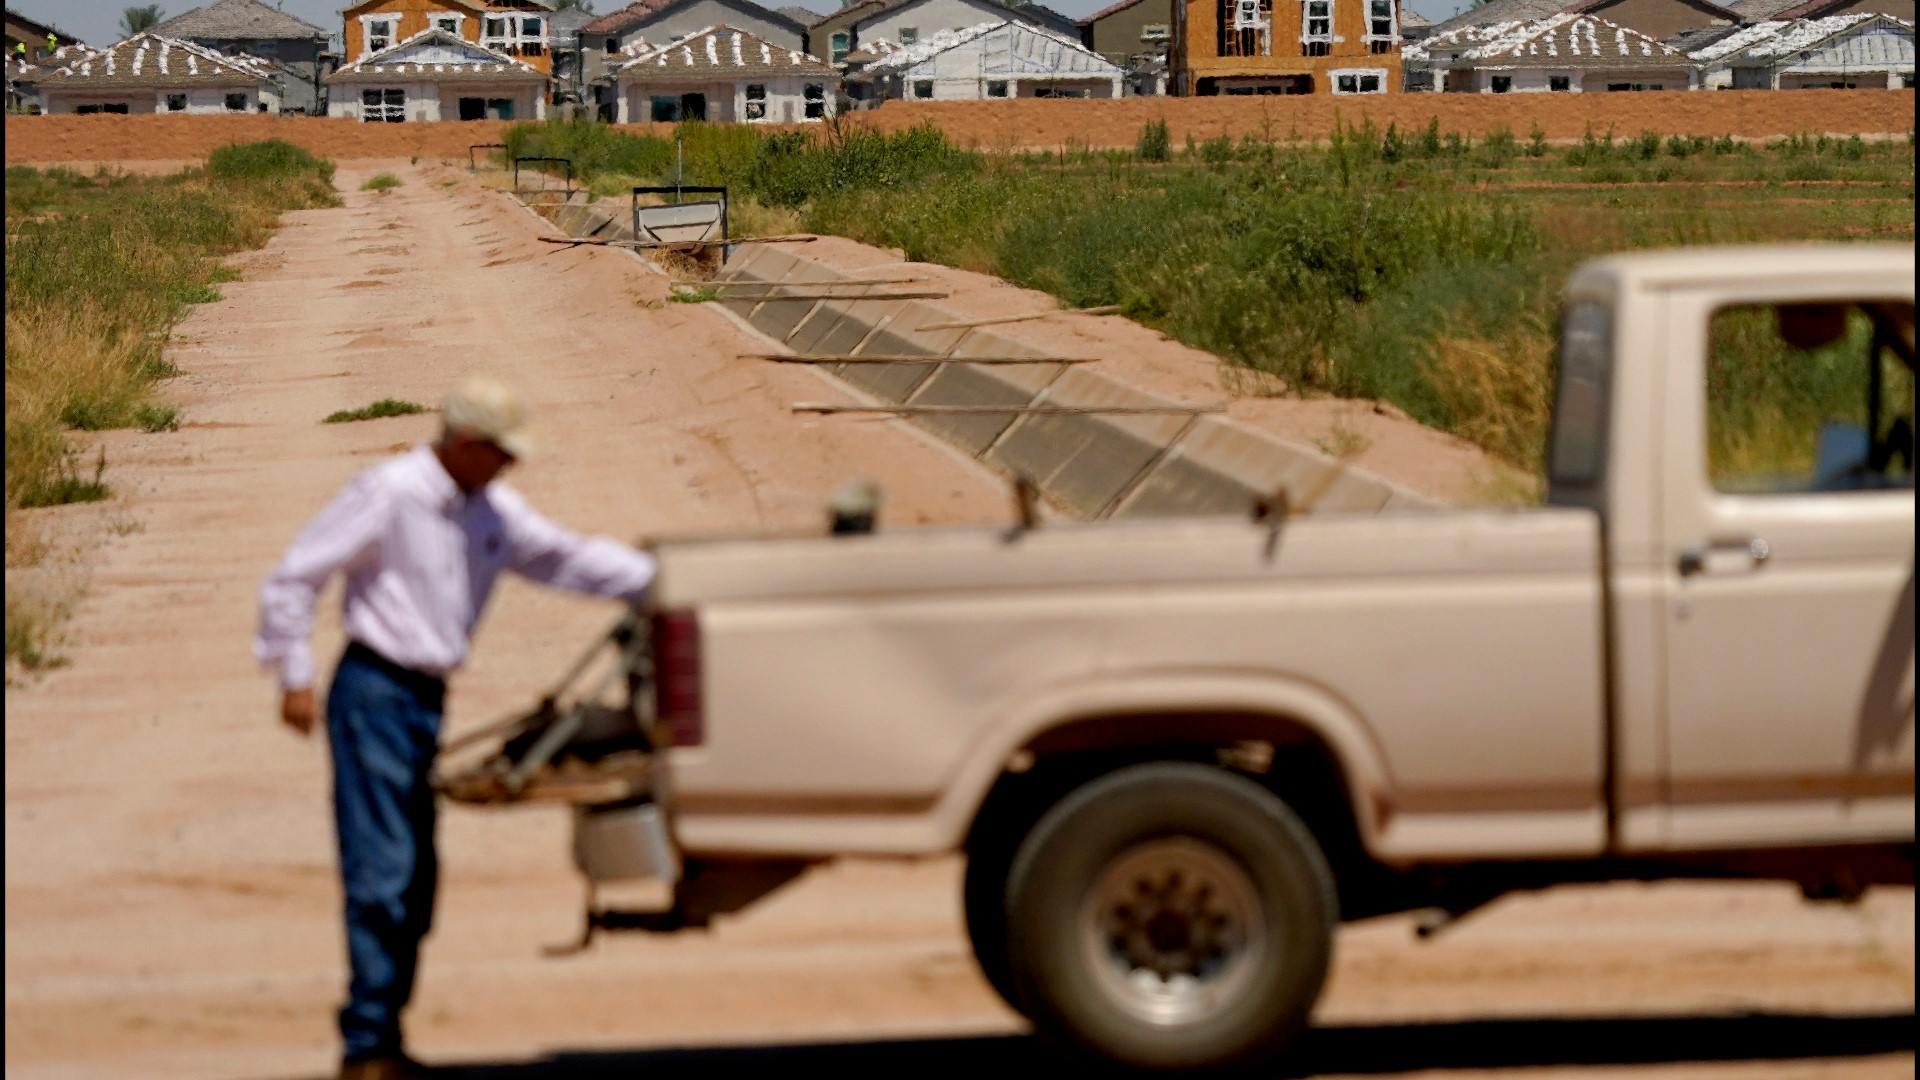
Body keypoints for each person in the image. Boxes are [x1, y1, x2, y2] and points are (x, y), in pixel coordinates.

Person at [255, 377, 657, 1080]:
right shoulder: (391, 492)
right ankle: (367, 1045)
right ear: (466, 444)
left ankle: (383, 1038)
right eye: (501, 452)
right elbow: (295, 576)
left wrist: (664, 581)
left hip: (423, 700)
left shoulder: (488, 508)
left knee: (414, 880)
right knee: (384, 871)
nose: (511, 465)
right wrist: (294, 674)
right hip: (375, 693)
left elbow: (564, 557)